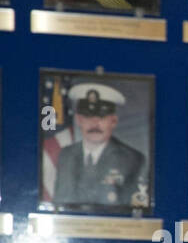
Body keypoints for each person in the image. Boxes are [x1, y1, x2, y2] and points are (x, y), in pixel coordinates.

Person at [53, 83, 147, 213]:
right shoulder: (66, 155)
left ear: (113, 121)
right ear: (78, 120)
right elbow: (60, 204)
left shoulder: (132, 159)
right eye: (88, 116)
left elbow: (136, 210)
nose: (94, 124)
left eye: (102, 117)